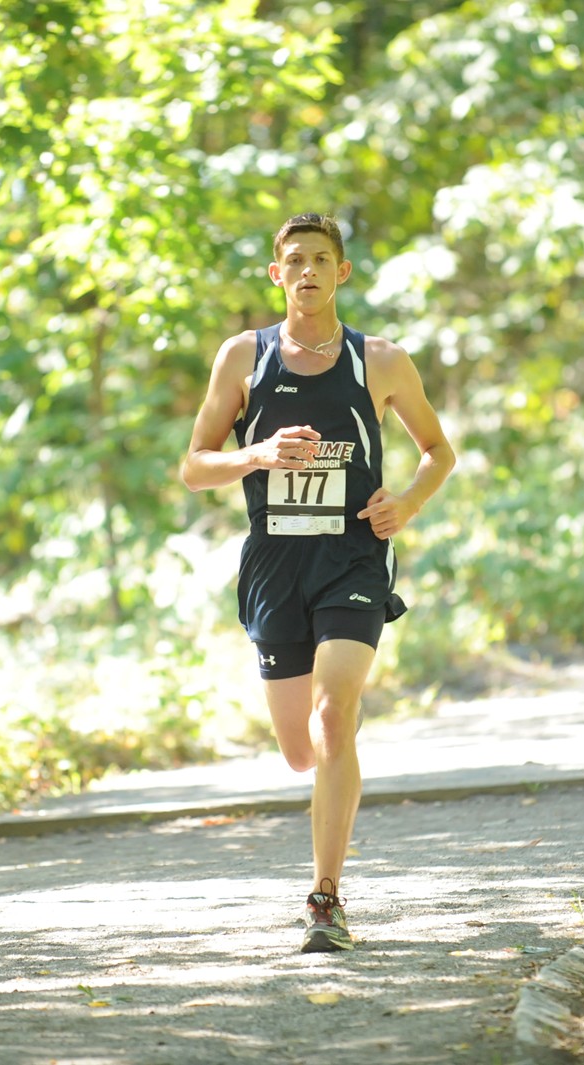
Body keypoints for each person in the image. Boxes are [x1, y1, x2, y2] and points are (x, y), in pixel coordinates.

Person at [180, 212, 456, 952]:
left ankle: (325, 899)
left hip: (353, 558)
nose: (307, 270)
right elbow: (193, 465)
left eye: (321, 259)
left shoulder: (383, 361)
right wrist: (258, 454)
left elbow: (438, 451)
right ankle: (328, 758)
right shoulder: (243, 357)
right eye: (294, 259)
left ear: (343, 273)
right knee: (301, 751)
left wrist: (407, 502)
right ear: (277, 275)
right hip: (276, 563)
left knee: (335, 719)